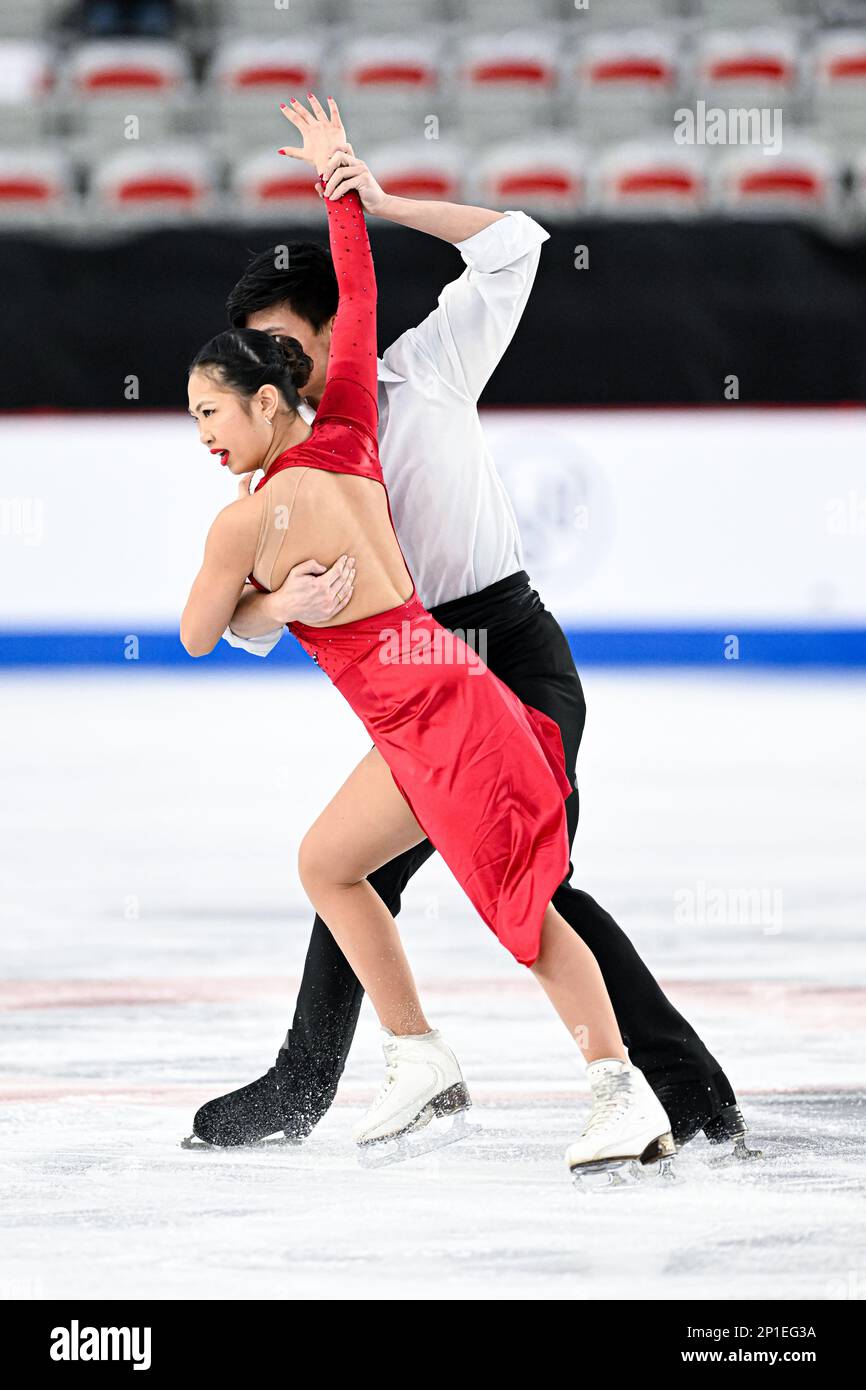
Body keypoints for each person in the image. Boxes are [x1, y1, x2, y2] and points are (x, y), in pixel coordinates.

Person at [191, 101, 753, 1161]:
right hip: (418, 665)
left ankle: (684, 1093)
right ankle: (304, 1081)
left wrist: (376, 199)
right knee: (350, 869)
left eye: (281, 343)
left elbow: (510, 245)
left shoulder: (423, 367)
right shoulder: (284, 472)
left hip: (507, 648)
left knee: (533, 888)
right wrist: (278, 604)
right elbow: (241, 622)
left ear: (326, 331)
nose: (270, 368)